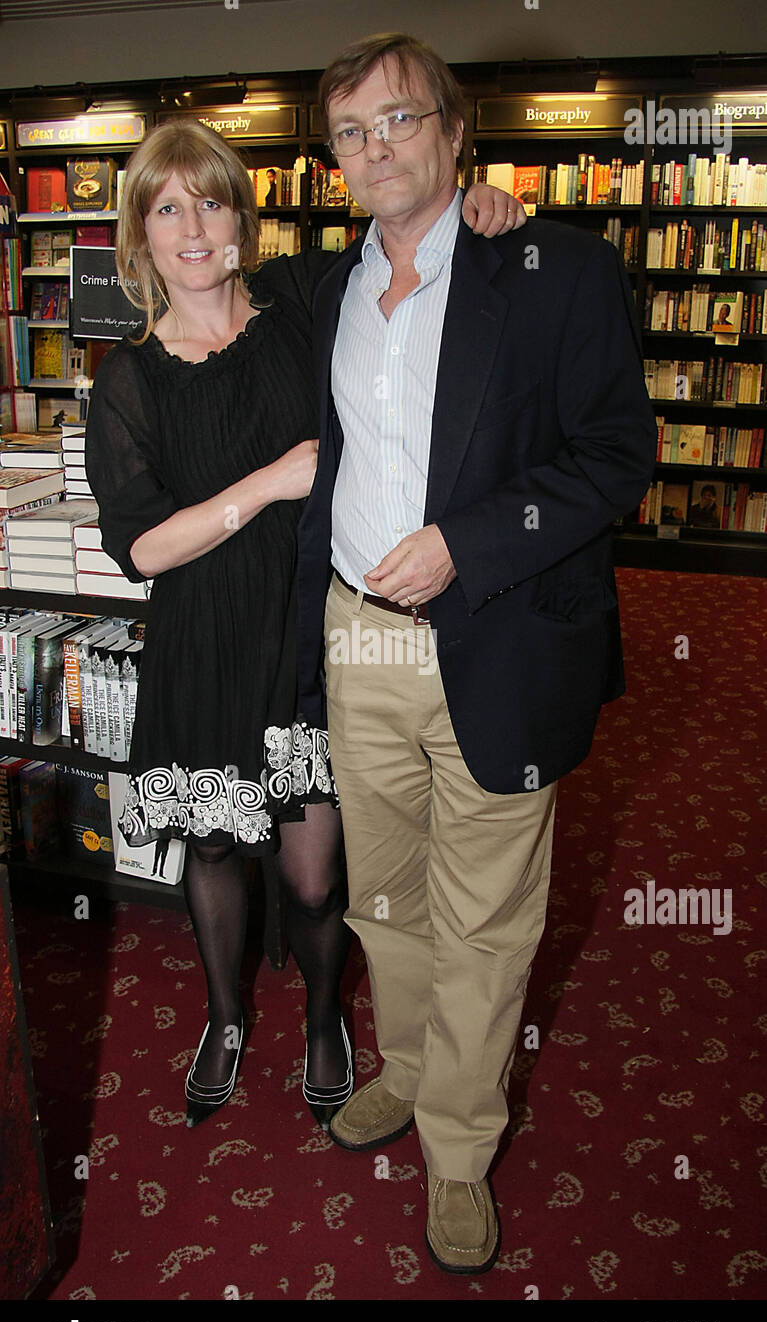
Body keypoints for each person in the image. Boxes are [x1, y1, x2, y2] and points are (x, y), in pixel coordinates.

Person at [297, 32, 658, 1274]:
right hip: (359, 642)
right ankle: (404, 1070)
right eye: (349, 132)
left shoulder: (555, 267)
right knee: (384, 896)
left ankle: (458, 1146)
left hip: (499, 638)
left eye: (397, 121)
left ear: (455, 133)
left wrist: (465, 540)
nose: (374, 148)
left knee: (486, 917)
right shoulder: (319, 288)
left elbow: (615, 456)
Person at [84, 116, 525, 1133]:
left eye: (210, 200)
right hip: (203, 642)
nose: (192, 226)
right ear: (139, 234)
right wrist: (273, 481)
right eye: (166, 207)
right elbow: (142, 548)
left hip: (304, 633)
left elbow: (403, 238)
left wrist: (478, 208)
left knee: (317, 872)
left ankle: (325, 1014)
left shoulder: (296, 300)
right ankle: (226, 1018)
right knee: (207, 851)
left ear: (242, 213)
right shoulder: (128, 379)